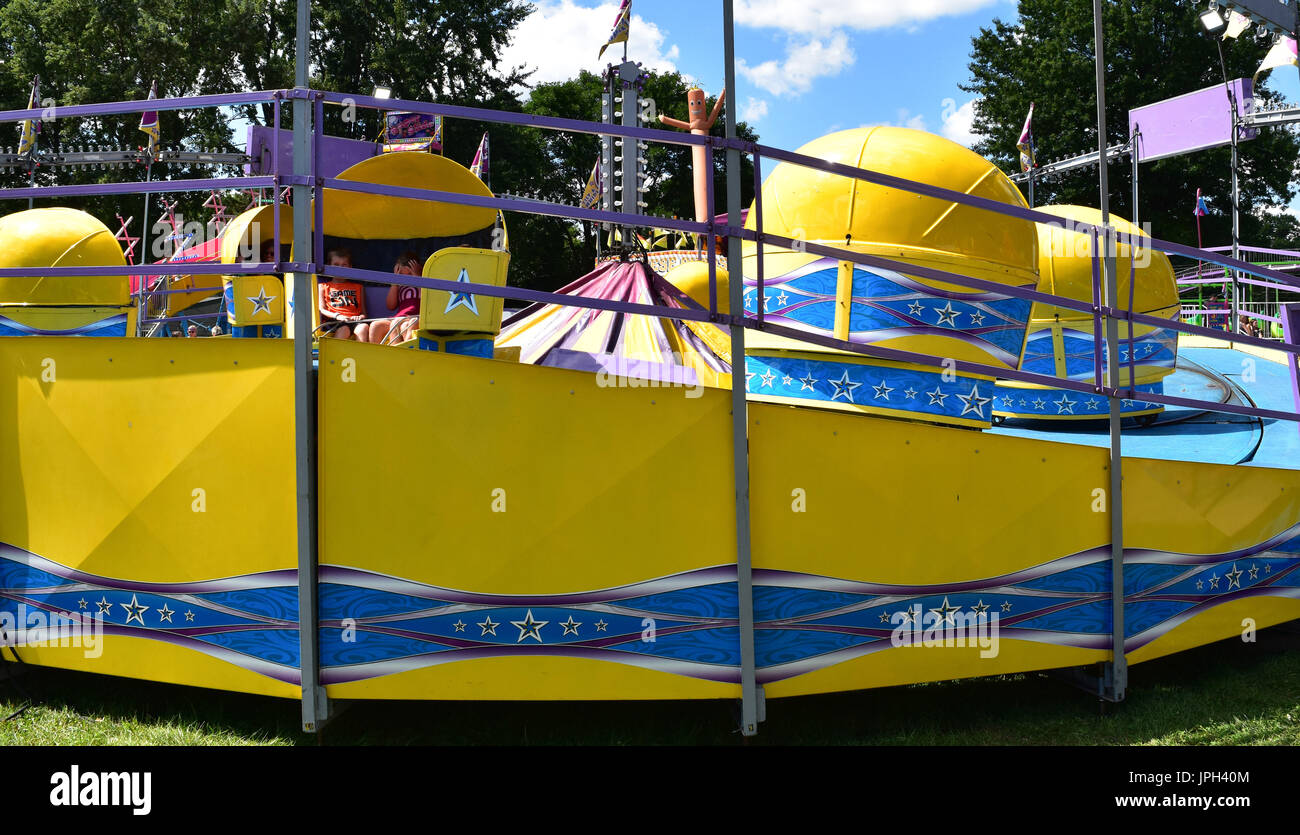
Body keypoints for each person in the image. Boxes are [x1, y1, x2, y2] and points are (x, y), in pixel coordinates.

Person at [368, 251, 422, 345]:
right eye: (402, 274)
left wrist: (418, 278)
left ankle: (396, 355)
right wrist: (395, 283)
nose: (406, 278)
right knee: (375, 325)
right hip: (399, 318)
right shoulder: (398, 286)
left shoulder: (423, 284)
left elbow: (427, 299)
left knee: (399, 324)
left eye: (410, 274)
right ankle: (375, 356)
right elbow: (390, 306)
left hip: (415, 318)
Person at [318, 248, 368, 340]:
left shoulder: (358, 287)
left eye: (344, 265)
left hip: (354, 320)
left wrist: (361, 317)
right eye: (336, 265)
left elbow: (363, 312)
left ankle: (359, 354)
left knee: (363, 328)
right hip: (335, 320)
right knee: (344, 329)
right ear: (329, 266)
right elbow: (322, 309)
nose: (340, 268)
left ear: (350, 267)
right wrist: (338, 316)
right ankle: (336, 354)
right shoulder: (323, 286)